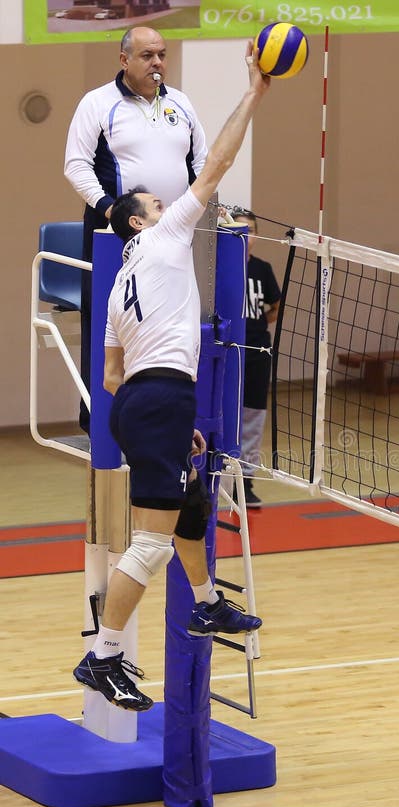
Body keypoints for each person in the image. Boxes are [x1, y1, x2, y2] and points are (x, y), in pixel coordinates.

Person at [72, 42, 270, 713]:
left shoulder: (121, 274)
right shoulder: (163, 239)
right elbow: (215, 165)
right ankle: (101, 658)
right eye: (158, 203)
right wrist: (255, 94)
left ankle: (208, 604)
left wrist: (166, 415)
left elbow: (110, 371)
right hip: (157, 398)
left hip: (141, 401)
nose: (173, 205)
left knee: (187, 506)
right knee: (151, 540)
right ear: (138, 220)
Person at [65, 26, 208, 434]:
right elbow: (76, 165)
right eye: (147, 55)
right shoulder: (97, 103)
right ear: (124, 59)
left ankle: (170, 415)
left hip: (174, 240)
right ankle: (101, 422)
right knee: (109, 327)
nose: (158, 63)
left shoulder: (181, 103)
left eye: (162, 54)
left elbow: (201, 162)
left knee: (172, 324)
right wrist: (110, 210)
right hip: (115, 240)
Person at [230, 208, 281, 508]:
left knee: (252, 418)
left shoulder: (262, 269)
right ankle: (212, 478)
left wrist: (258, 324)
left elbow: (275, 306)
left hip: (258, 352)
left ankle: (244, 483)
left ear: (256, 236)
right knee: (224, 414)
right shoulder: (220, 266)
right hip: (228, 351)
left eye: (250, 232)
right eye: (240, 231)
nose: (245, 237)